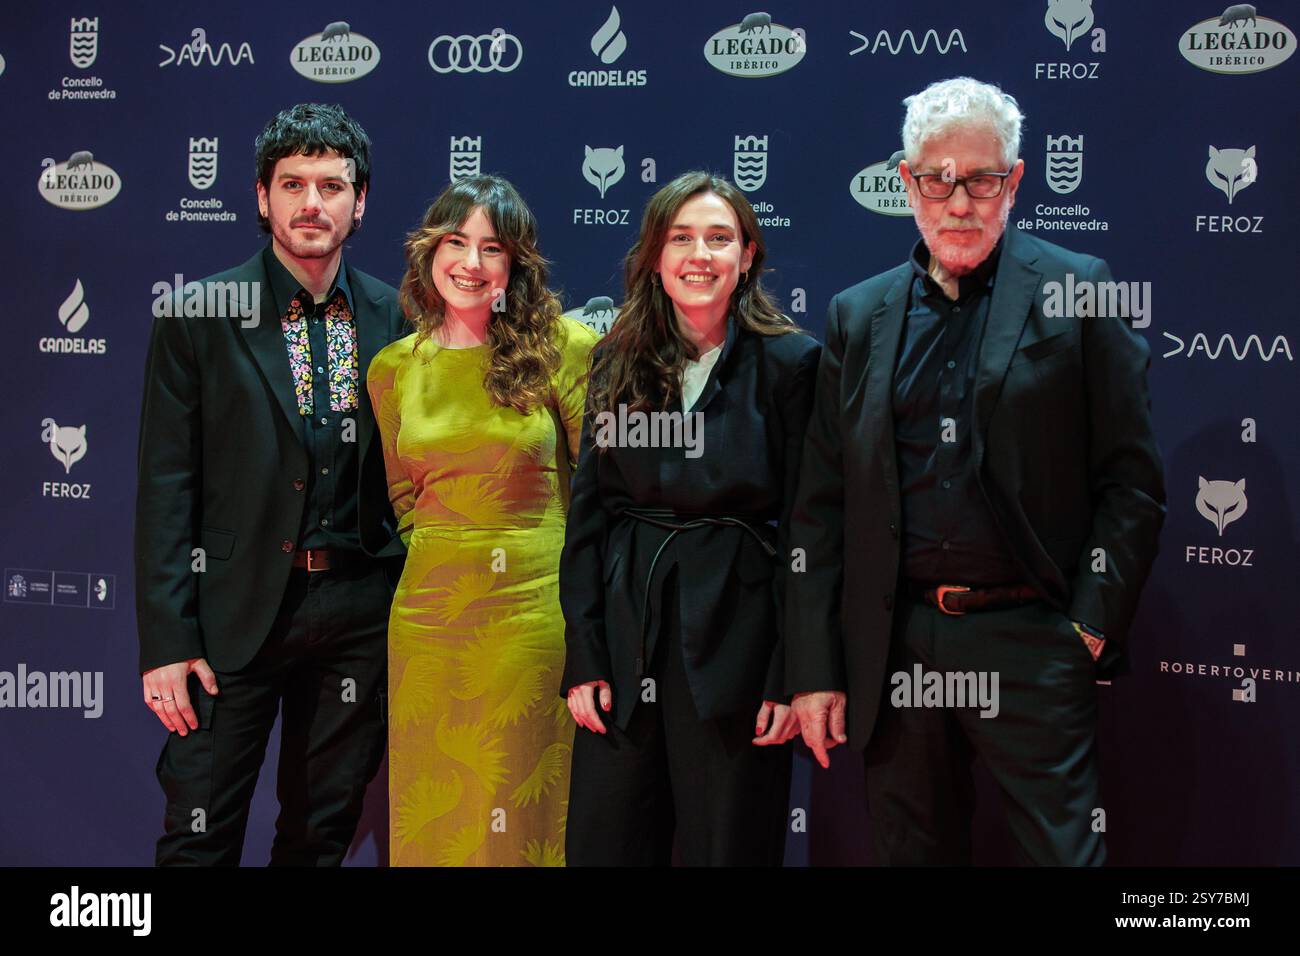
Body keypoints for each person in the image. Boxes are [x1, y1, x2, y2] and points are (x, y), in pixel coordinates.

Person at [786, 77, 1166, 866]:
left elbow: (1131, 479)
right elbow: (822, 507)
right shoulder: (858, 316)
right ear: (906, 183)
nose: (960, 203)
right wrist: (819, 667)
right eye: (938, 179)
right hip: (895, 647)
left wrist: (1088, 629)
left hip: (1033, 637)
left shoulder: (1078, 286)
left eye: (982, 179)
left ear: (1015, 181)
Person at [135, 103, 408, 865]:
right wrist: (166, 642)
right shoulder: (197, 314)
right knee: (199, 835)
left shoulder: (399, 316)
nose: (312, 203)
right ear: (262, 197)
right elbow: (165, 486)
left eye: (331, 185)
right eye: (293, 184)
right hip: (232, 616)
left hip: (357, 616)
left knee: (320, 837)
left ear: (362, 201)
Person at [561, 171, 820, 866]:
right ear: (653, 256)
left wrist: (789, 675)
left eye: (719, 238)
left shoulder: (791, 364)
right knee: (605, 845)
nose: (699, 254)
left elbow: (809, 534)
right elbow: (589, 518)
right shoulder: (615, 359)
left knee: (729, 847)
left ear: (748, 256)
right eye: (681, 237)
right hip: (624, 639)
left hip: (738, 645)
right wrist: (584, 656)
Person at [368, 174, 596, 867]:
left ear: (514, 264)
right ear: (428, 251)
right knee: (436, 817)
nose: (470, 262)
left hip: (532, 621)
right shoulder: (392, 368)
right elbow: (404, 499)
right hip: (429, 627)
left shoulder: (566, 347)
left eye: (491, 248)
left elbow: (600, 491)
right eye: (456, 242)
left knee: (524, 814)